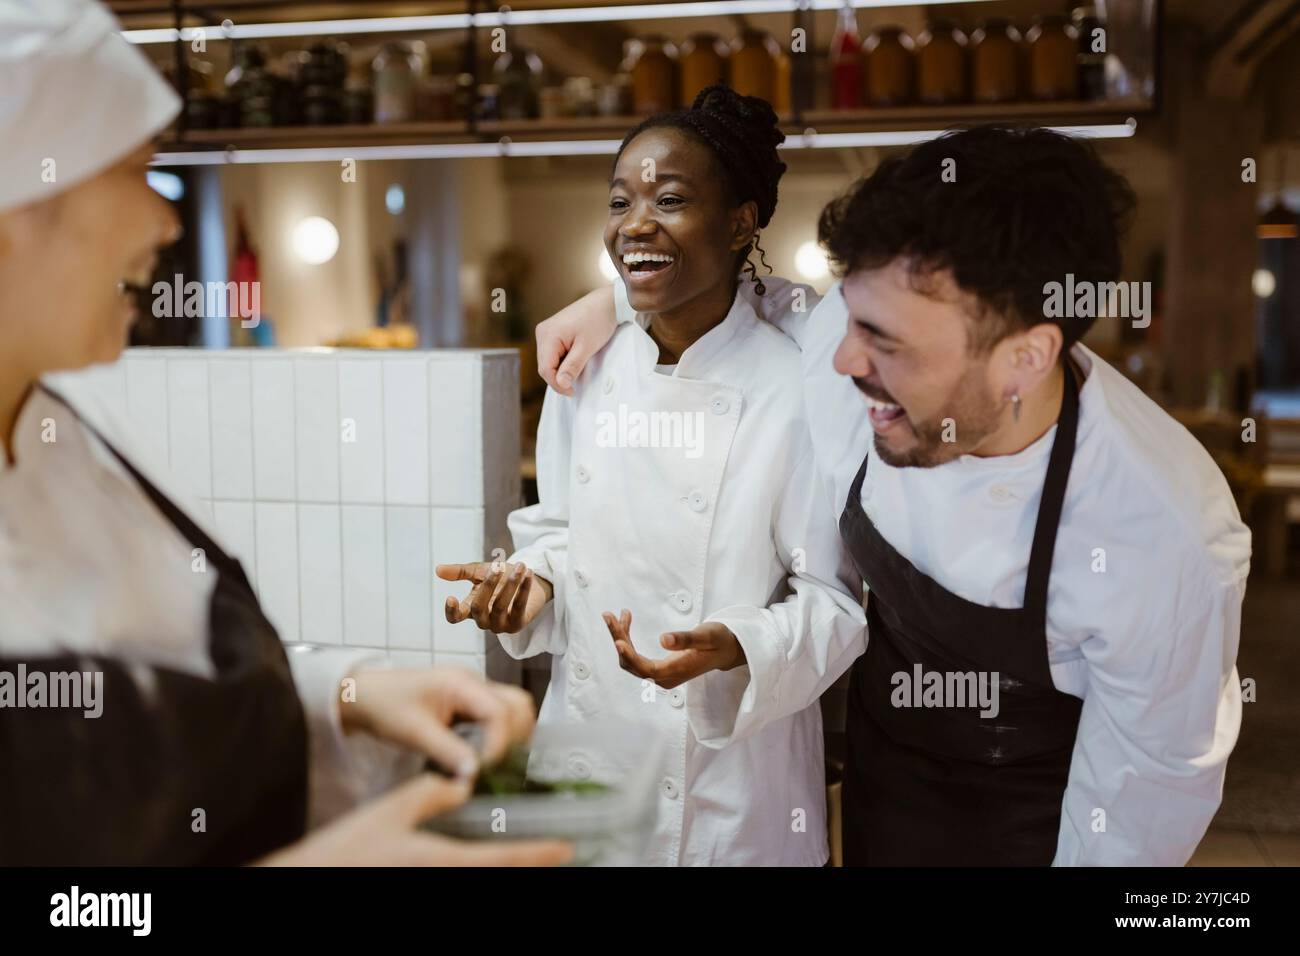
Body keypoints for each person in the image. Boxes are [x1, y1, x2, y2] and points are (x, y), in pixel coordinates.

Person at [532, 125, 1251, 866]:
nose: (843, 359)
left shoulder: (1161, 539)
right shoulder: (848, 347)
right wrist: (616, 303)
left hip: (1042, 817)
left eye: (885, 340)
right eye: (852, 315)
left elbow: (1144, 801)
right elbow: (764, 301)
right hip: (885, 778)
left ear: (1028, 356)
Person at [0, 0, 570, 867]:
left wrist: (350, 693)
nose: (165, 223)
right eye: (134, 173)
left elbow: (155, 696)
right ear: (16, 208)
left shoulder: (54, 436)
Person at [438, 86, 865, 866]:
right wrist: (529, 584)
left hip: (729, 783)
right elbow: (562, 536)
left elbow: (836, 603)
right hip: (590, 756)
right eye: (621, 200)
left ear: (741, 222)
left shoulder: (795, 385)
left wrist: (738, 643)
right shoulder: (587, 366)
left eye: (670, 199)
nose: (636, 223)